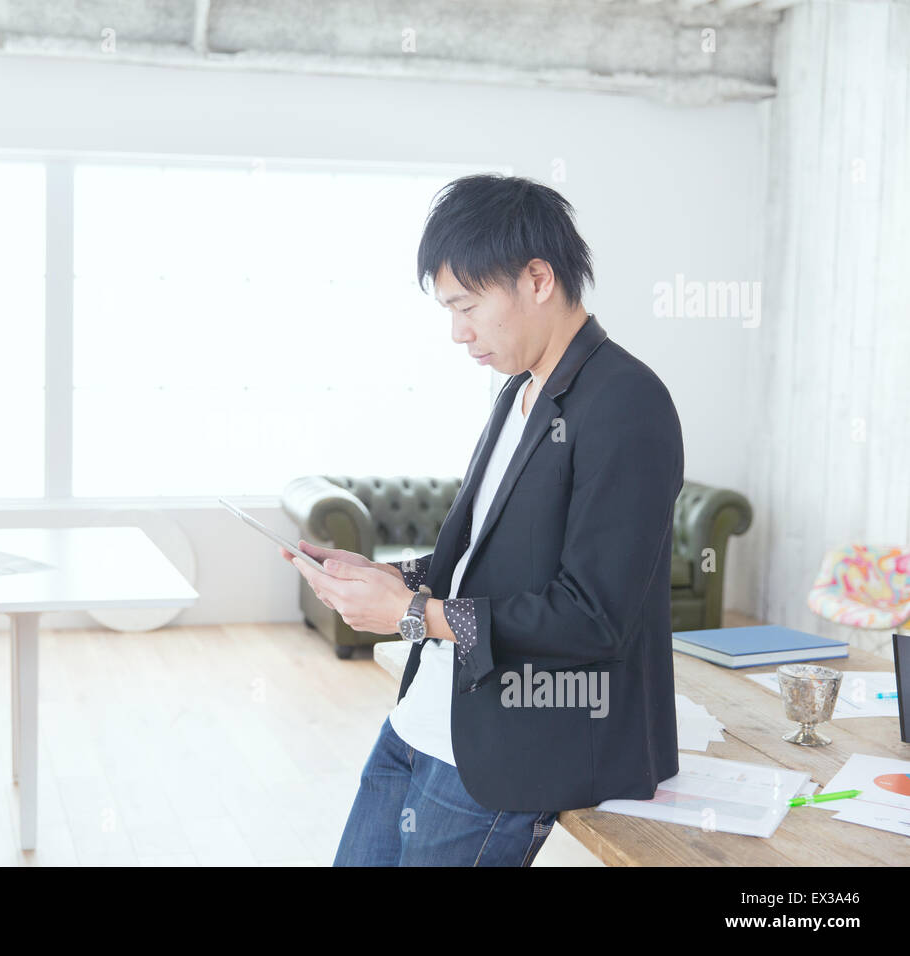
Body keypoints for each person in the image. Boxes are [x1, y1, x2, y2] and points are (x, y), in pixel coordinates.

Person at [281, 174, 684, 866]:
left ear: (536, 280)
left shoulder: (625, 402)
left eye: (467, 305)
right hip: (424, 719)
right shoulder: (519, 391)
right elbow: (479, 558)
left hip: (507, 750)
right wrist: (389, 576)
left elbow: (591, 616)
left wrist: (414, 614)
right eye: (448, 308)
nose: (457, 332)